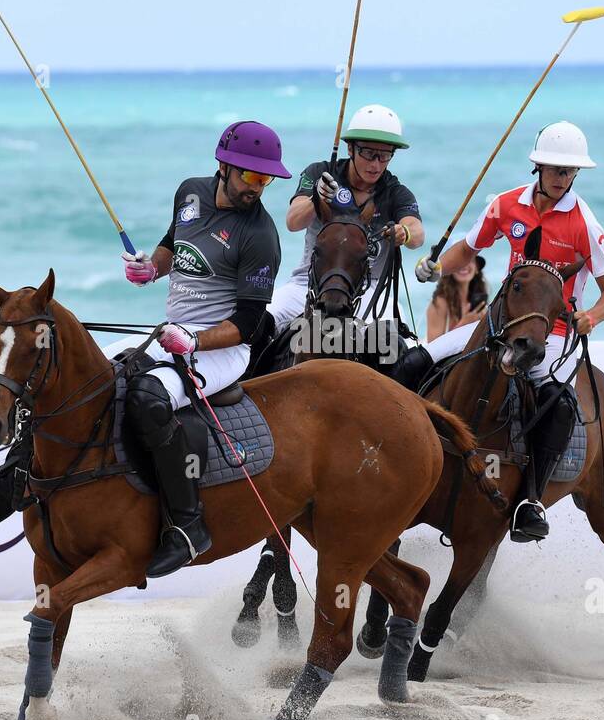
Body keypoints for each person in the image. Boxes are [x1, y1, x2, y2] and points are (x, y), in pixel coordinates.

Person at [402, 120, 604, 543]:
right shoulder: (506, 205)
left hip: (553, 333)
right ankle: (392, 455)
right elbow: (469, 249)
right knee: (417, 361)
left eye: (570, 172)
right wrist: (435, 267)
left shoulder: (584, 224)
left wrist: (591, 316)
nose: (563, 179)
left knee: (557, 402)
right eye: (556, 169)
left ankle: (530, 501)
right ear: (537, 166)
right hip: (499, 322)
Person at [119, 121, 287, 578]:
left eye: (266, 179)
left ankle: (189, 528)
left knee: (150, 398)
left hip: (222, 348)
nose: (259, 187)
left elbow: (250, 325)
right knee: (103, 377)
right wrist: (149, 268)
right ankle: (4, 485)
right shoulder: (189, 193)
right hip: (171, 332)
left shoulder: (261, 236)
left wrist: (195, 341)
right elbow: (173, 245)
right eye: (252, 176)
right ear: (224, 166)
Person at [266, 104, 424, 338]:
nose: (376, 165)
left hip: (369, 289)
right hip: (308, 285)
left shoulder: (395, 191)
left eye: (385, 156)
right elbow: (293, 222)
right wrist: (316, 198)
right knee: (261, 322)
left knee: (400, 346)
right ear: (350, 148)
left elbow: (417, 232)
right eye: (369, 154)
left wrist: (405, 233)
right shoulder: (320, 172)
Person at [427, 254, 488, 342]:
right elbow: (432, 350)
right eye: (458, 261)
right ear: (448, 268)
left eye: (469, 260)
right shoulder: (440, 303)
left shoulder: (479, 302)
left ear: (477, 268)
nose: (464, 265)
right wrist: (464, 324)